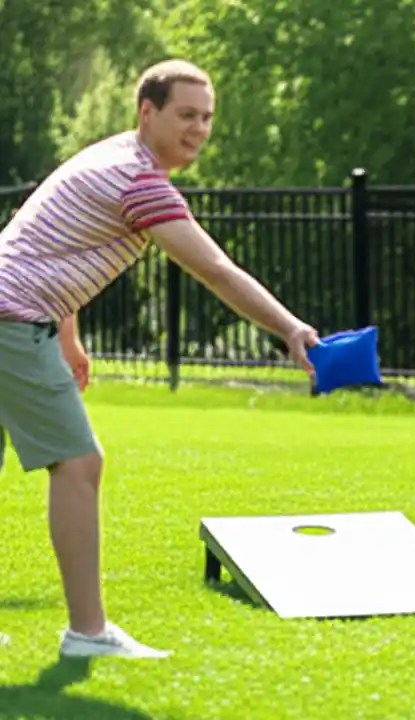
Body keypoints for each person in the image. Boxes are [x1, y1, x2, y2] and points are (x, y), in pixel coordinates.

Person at [0, 59, 319, 657]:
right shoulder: (138, 181)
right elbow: (214, 270)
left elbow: (43, 243)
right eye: (186, 115)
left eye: (206, 118)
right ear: (149, 112)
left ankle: (87, 633)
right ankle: (87, 634)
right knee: (78, 463)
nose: (198, 129)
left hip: (15, 309)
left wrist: (69, 339)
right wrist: (290, 328)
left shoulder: (110, 155)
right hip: (11, 320)